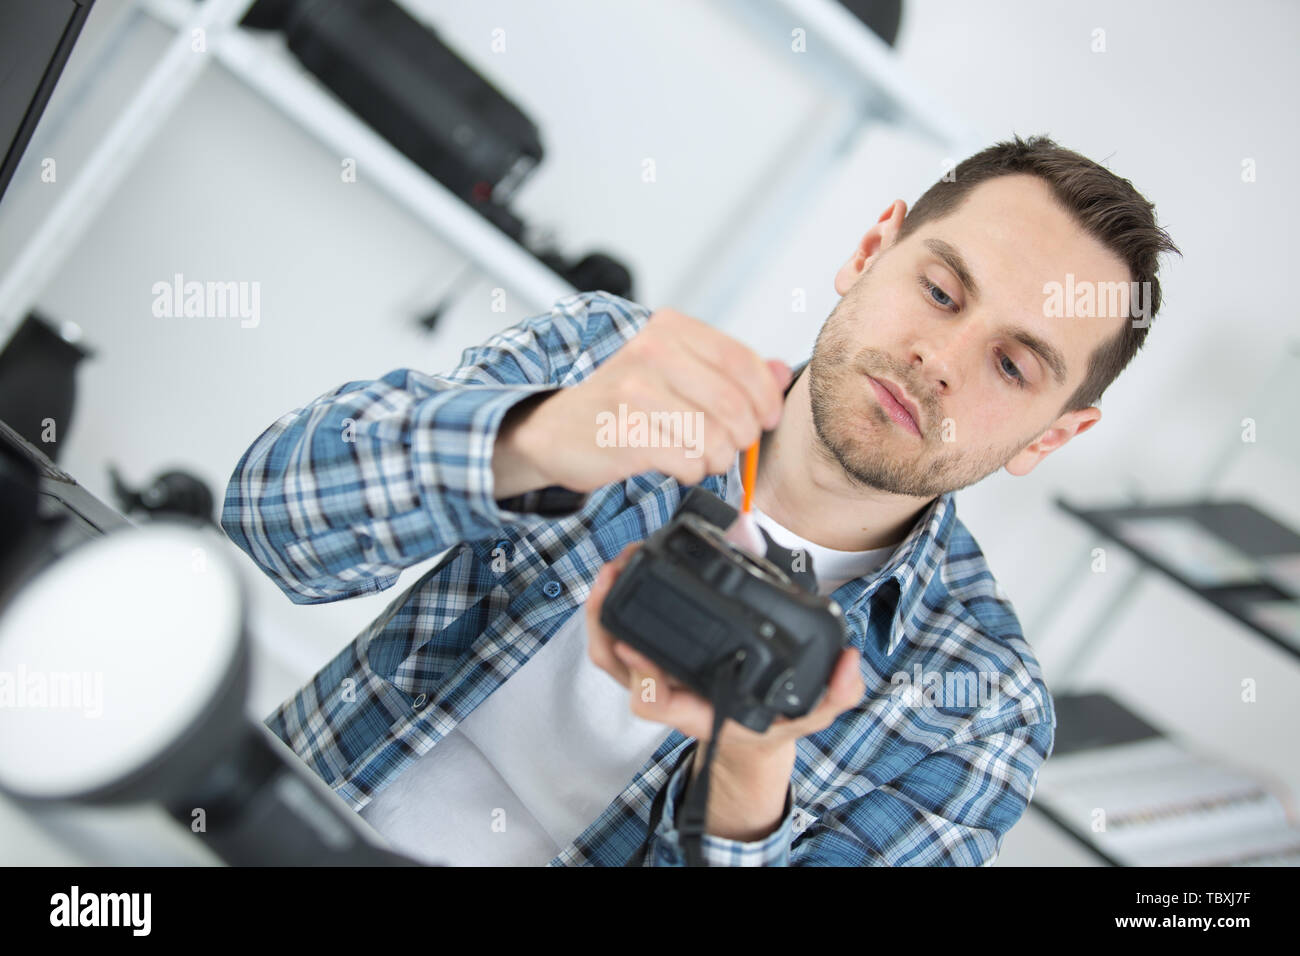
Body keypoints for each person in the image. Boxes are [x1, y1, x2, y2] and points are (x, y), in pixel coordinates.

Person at [220, 134, 1180, 866]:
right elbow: (266, 520)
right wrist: (535, 439)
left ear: (1050, 437)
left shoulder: (985, 711)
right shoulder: (613, 361)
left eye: (1012, 364)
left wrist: (749, 774)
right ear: (871, 249)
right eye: (939, 290)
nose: (940, 359)